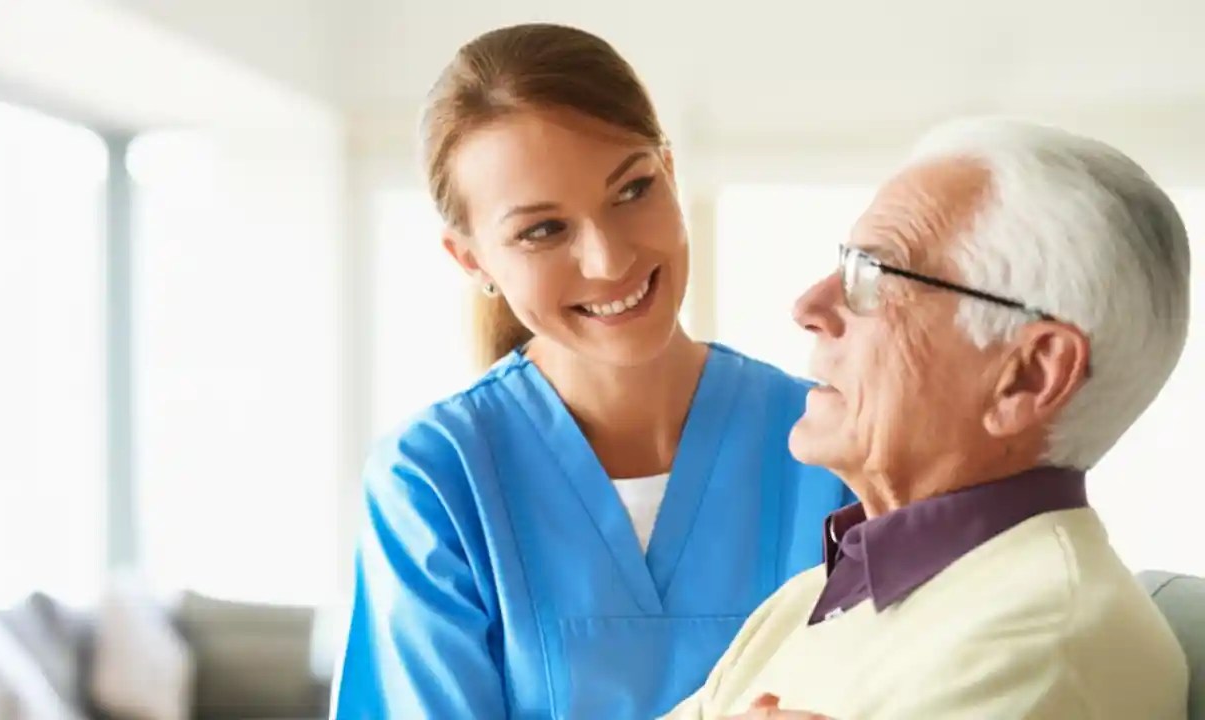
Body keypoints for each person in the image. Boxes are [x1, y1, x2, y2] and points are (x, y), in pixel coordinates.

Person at [330, 22, 853, 720]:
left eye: (632, 190)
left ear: (670, 172)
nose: (609, 260)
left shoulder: (833, 444)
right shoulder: (434, 483)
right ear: (473, 260)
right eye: (542, 230)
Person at [662, 117, 1192, 720]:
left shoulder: (1041, 647)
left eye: (873, 276)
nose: (808, 306)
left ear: (1028, 376)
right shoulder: (807, 601)